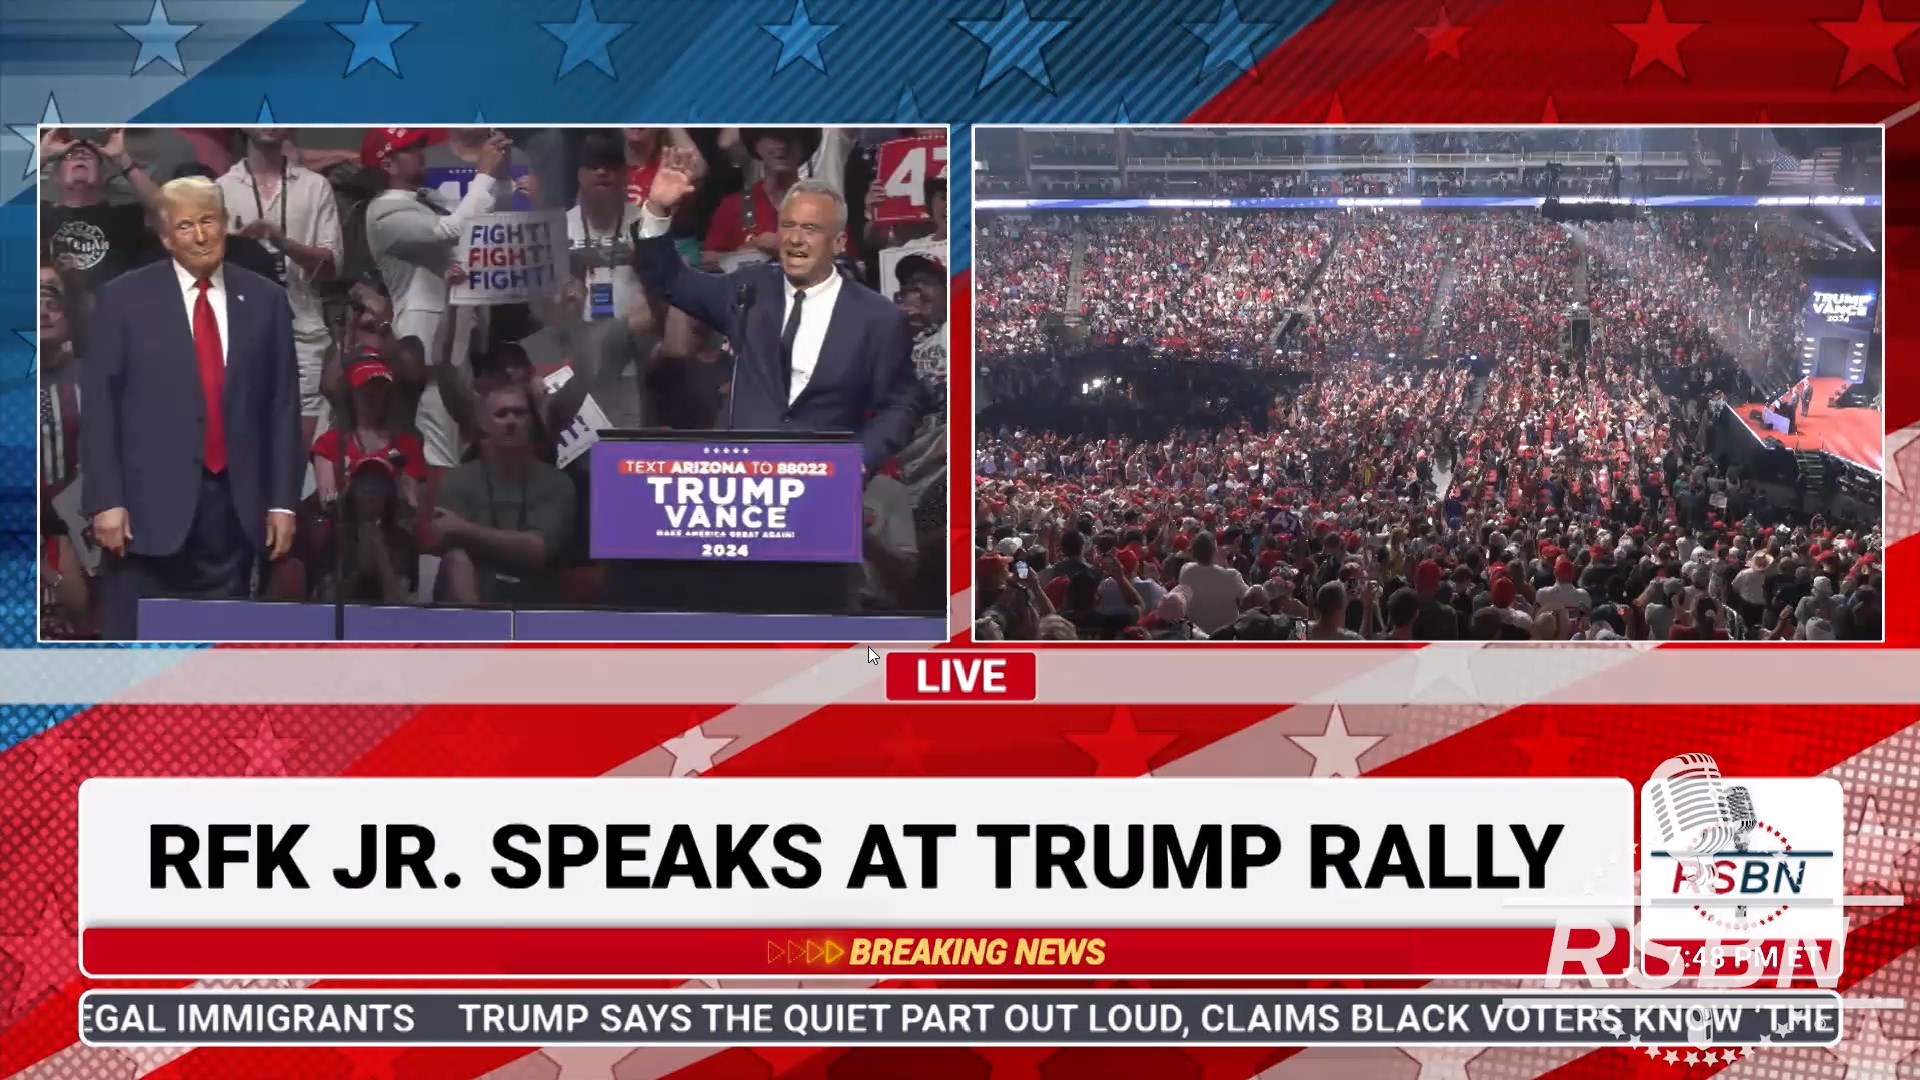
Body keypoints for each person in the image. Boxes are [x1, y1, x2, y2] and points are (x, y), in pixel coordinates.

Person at [81, 175, 302, 640]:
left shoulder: (266, 300)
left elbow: (281, 408)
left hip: (233, 511)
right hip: (143, 515)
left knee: (216, 665)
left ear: (226, 224)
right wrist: (106, 500)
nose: (200, 236)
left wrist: (283, 502)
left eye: (209, 221)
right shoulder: (122, 299)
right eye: (185, 226)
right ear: (165, 238)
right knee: (136, 664)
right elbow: (101, 409)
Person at [630, 147, 921, 471]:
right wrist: (657, 208)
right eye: (788, 225)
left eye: (810, 229)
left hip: (825, 486)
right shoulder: (746, 290)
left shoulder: (877, 318)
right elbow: (669, 279)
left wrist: (858, 460)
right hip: (741, 483)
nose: (795, 238)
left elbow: (900, 405)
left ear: (839, 242)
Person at [363, 127, 514, 474]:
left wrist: (500, 178)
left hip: (459, 342)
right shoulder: (383, 213)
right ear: (388, 163)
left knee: (466, 451)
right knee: (442, 455)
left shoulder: (426, 198)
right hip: (427, 349)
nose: (421, 153)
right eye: (411, 149)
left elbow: (482, 222)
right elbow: (448, 231)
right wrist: (484, 174)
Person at [216, 126, 344, 449]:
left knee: (301, 445)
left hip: (304, 332)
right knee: (244, 439)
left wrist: (280, 240)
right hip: (239, 336)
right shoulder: (220, 190)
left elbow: (330, 268)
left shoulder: (316, 187)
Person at [429, 382, 576, 605]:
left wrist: (466, 529)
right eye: (501, 414)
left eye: (519, 413)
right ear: (484, 424)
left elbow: (537, 550)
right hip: (473, 601)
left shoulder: (557, 483)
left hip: (536, 601)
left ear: (531, 422)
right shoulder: (458, 480)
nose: (511, 422)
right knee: (456, 559)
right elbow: (448, 542)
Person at [40, 129, 162, 292]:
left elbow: (166, 210)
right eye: (70, 156)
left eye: (89, 156)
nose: (80, 156)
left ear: (103, 175)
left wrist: (123, 160)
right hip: (55, 310)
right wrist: (41, 156)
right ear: (57, 176)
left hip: (115, 308)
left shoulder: (126, 215)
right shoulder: (39, 214)